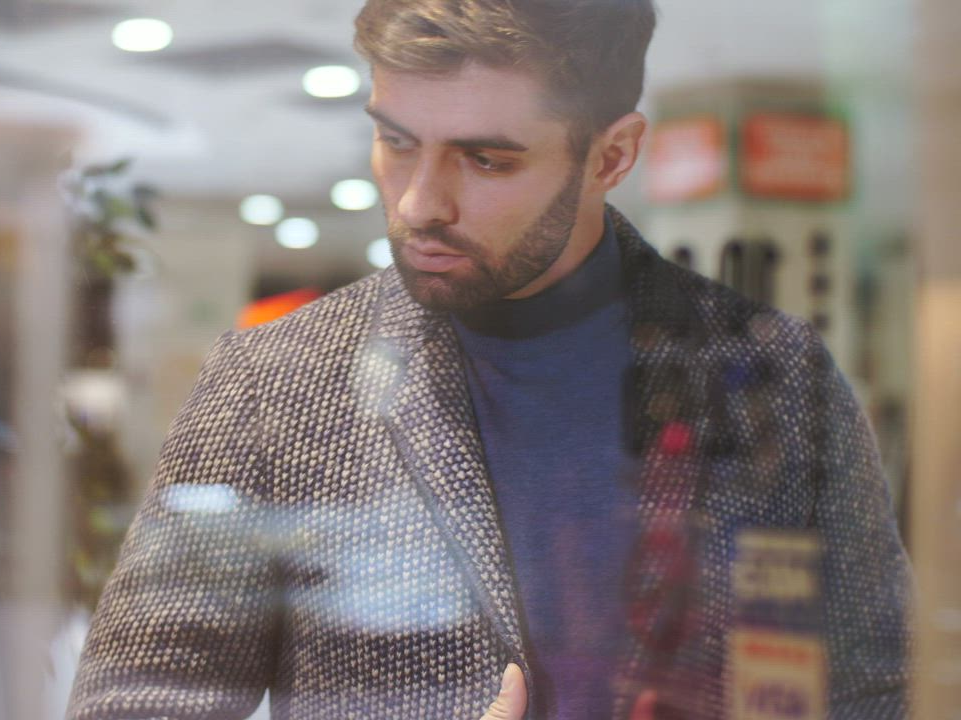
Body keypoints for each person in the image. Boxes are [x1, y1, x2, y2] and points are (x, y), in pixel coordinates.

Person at [67, 0, 911, 718]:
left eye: (485, 159)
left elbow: (879, 688)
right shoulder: (274, 380)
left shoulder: (774, 375)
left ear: (611, 155)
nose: (418, 203)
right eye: (396, 142)